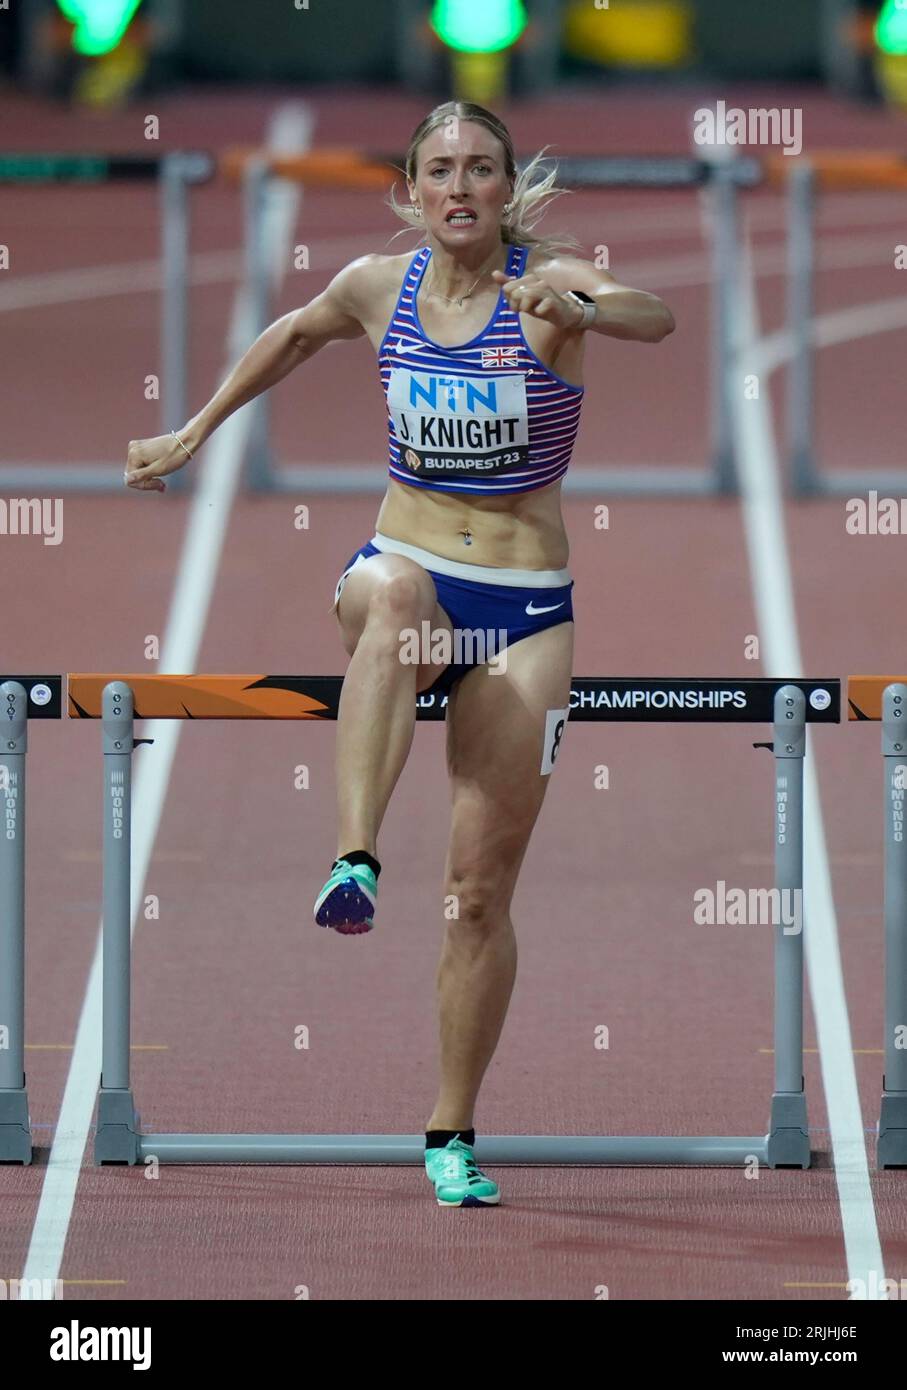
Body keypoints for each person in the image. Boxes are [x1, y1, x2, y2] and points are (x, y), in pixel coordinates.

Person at [124, 100, 675, 1207]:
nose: (459, 186)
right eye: (440, 170)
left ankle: (449, 1134)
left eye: (480, 168)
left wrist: (580, 304)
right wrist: (194, 430)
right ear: (411, 191)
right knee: (399, 597)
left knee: (477, 895)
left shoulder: (546, 284)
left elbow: (650, 316)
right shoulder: (379, 287)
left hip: (524, 605)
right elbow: (294, 334)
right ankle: (354, 859)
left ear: (507, 187)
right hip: (404, 568)